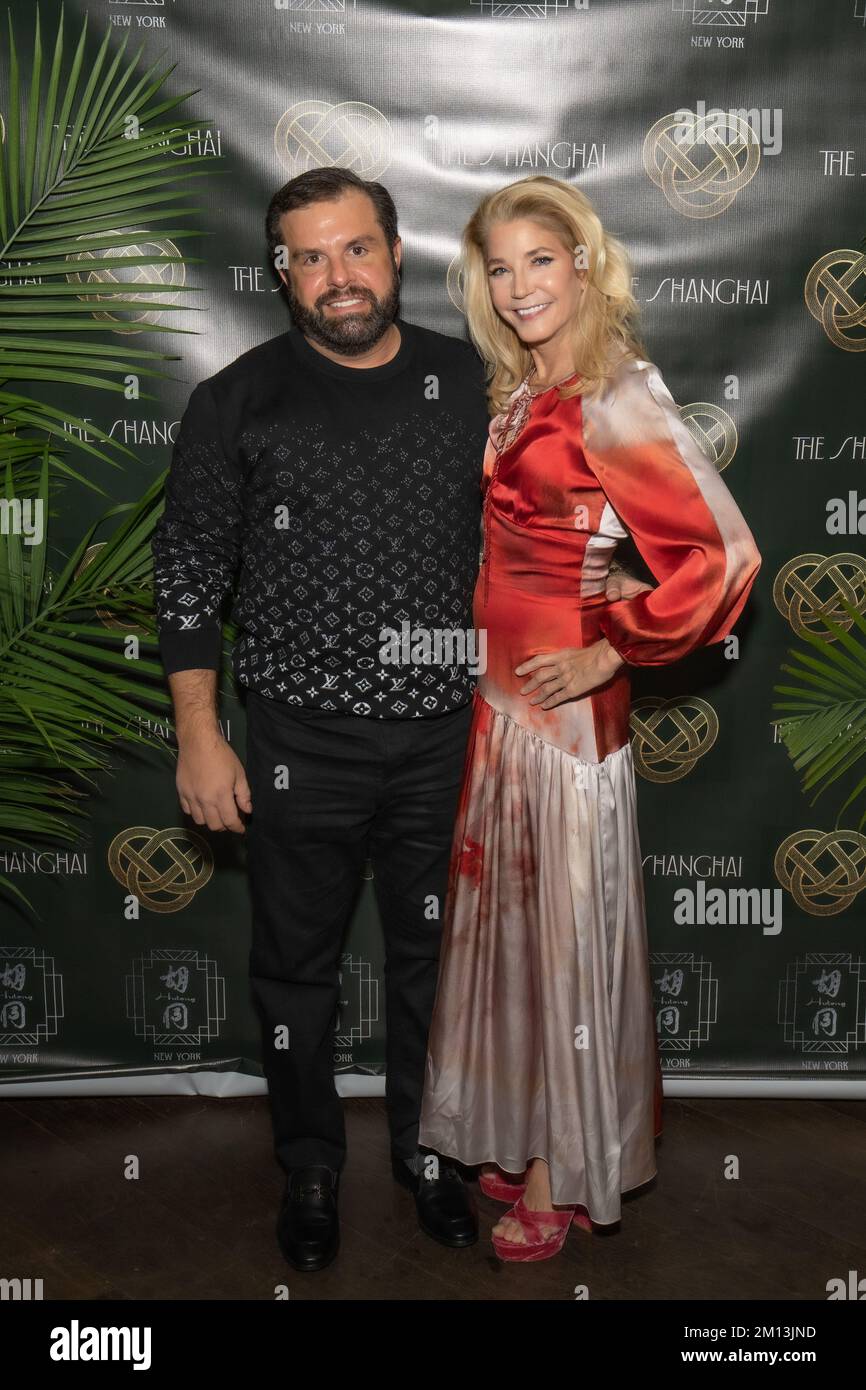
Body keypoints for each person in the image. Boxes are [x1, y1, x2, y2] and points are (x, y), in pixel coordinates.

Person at [151, 165, 655, 1273]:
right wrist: (198, 729)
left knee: (445, 968)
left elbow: (560, 525)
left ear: (394, 251)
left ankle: (430, 1156)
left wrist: (615, 605)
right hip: (295, 746)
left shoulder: (472, 382)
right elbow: (187, 577)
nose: (339, 277)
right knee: (295, 969)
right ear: (282, 271)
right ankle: (311, 1164)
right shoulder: (234, 400)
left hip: (451, 739)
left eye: (357, 249)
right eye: (311, 256)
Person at [418, 174, 762, 1262]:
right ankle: (526, 1133)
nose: (519, 286)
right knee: (515, 946)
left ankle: (564, 1170)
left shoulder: (614, 394)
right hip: (501, 711)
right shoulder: (521, 388)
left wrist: (616, 640)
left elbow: (724, 558)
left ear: (582, 263)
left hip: (565, 729)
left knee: (563, 946)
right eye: (499, 267)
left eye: (539, 261)